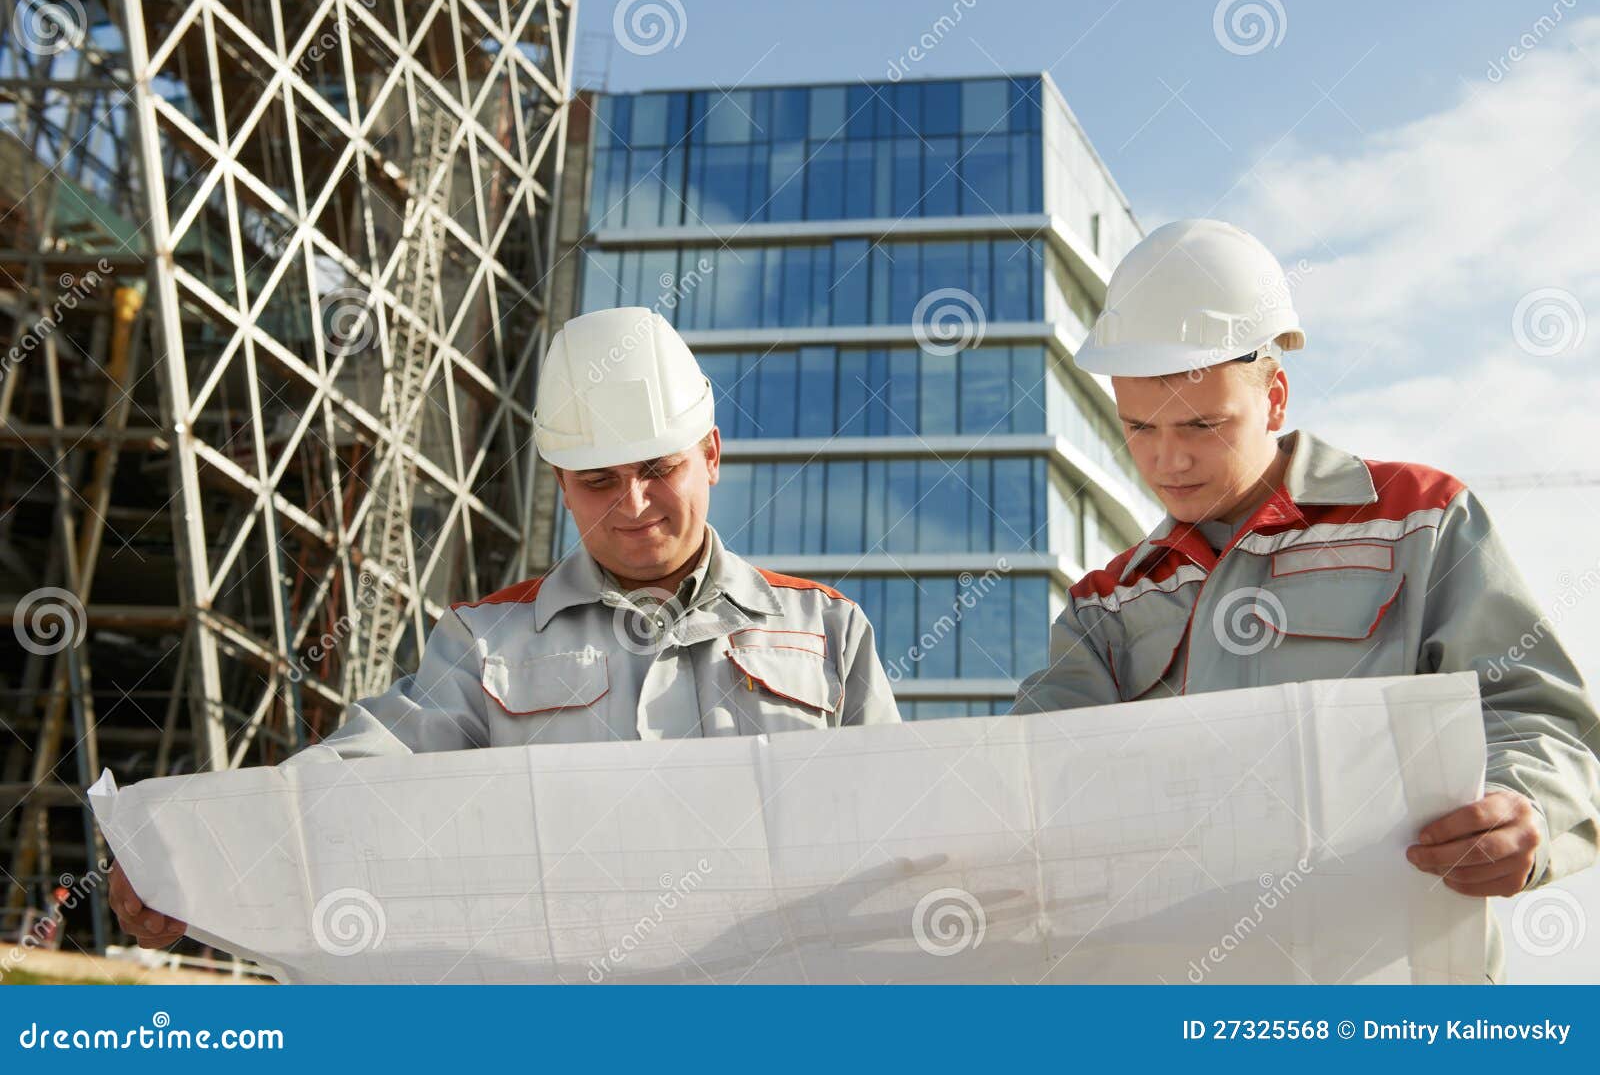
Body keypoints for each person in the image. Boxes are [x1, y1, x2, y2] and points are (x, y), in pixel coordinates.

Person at [111, 307, 901, 948]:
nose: (633, 505)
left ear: (712, 455)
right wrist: (190, 844)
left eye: (659, 469)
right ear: (561, 485)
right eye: (598, 482)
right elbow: (360, 773)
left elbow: (901, 829)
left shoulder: (827, 631)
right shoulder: (486, 641)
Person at [1013, 218, 1600, 979]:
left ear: (1275, 397)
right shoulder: (1109, 604)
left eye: (1203, 423)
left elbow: (1544, 716)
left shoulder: (1419, 520)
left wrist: (1527, 809)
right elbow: (1022, 795)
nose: (1168, 458)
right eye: (1139, 428)